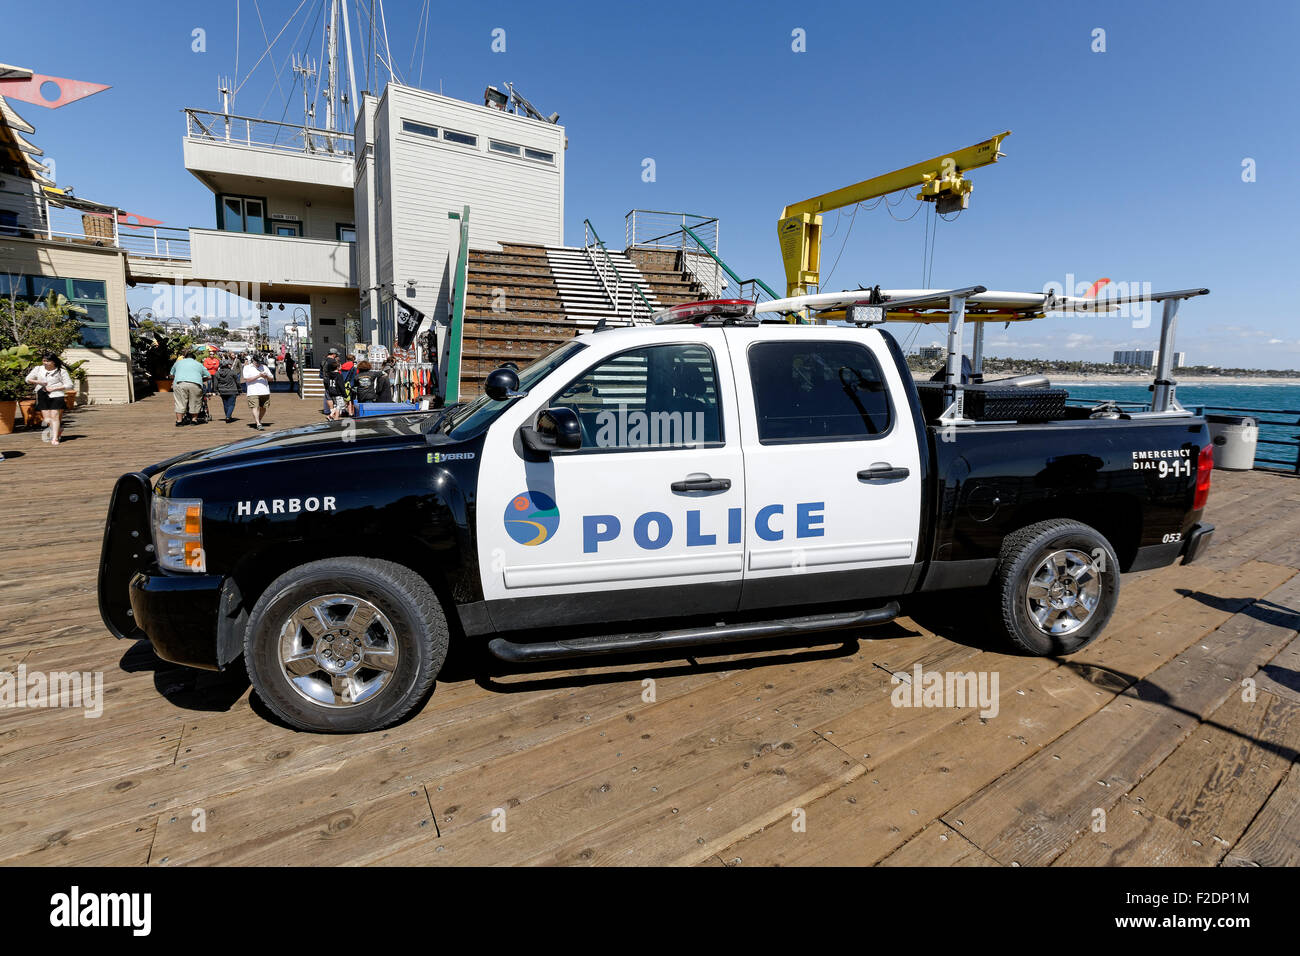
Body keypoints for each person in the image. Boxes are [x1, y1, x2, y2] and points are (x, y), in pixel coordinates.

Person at [25, 353, 74, 445]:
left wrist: (55, 388)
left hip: (56, 394)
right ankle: (58, 430)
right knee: (47, 419)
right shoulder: (38, 369)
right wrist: (38, 382)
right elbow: (27, 379)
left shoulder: (61, 371)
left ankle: (55, 438)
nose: (45, 363)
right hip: (42, 394)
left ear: (54, 362)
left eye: (48, 361)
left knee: (54, 416)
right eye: (44, 360)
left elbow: (70, 385)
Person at [170, 348, 210, 427]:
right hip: (195, 384)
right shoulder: (198, 364)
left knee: (179, 402)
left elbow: (171, 374)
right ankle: (194, 420)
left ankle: (179, 421)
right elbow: (208, 376)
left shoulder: (178, 363)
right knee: (195, 402)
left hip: (180, 383)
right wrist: (201, 379)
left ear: (185, 357)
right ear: (194, 358)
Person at [242, 352, 272, 430]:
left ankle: (259, 420)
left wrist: (266, 377)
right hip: (253, 391)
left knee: (264, 407)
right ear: (253, 360)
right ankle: (258, 423)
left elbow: (271, 379)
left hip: (264, 390)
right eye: (257, 362)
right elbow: (247, 379)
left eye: (260, 362)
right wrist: (259, 375)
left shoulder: (264, 367)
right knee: (255, 406)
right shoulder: (247, 367)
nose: (258, 363)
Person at [214, 357, 241, 423]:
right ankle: (228, 417)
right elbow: (237, 382)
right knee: (231, 404)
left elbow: (215, 383)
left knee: (225, 404)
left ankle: (228, 416)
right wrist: (239, 389)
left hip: (222, 391)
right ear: (227, 365)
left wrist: (216, 391)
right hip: (232, 390)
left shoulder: (217, 373)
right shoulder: (232, 372)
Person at [318, 347, 340, 414]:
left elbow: (321, 373)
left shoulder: (323, 360)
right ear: (333, 354)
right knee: (333, 396)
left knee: (327, 395)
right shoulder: (333, 361)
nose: (336, 356)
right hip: (332, 380)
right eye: (336, 355)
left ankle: (328, 410)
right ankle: (333, 411)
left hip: (325, 379)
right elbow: (335, 371)